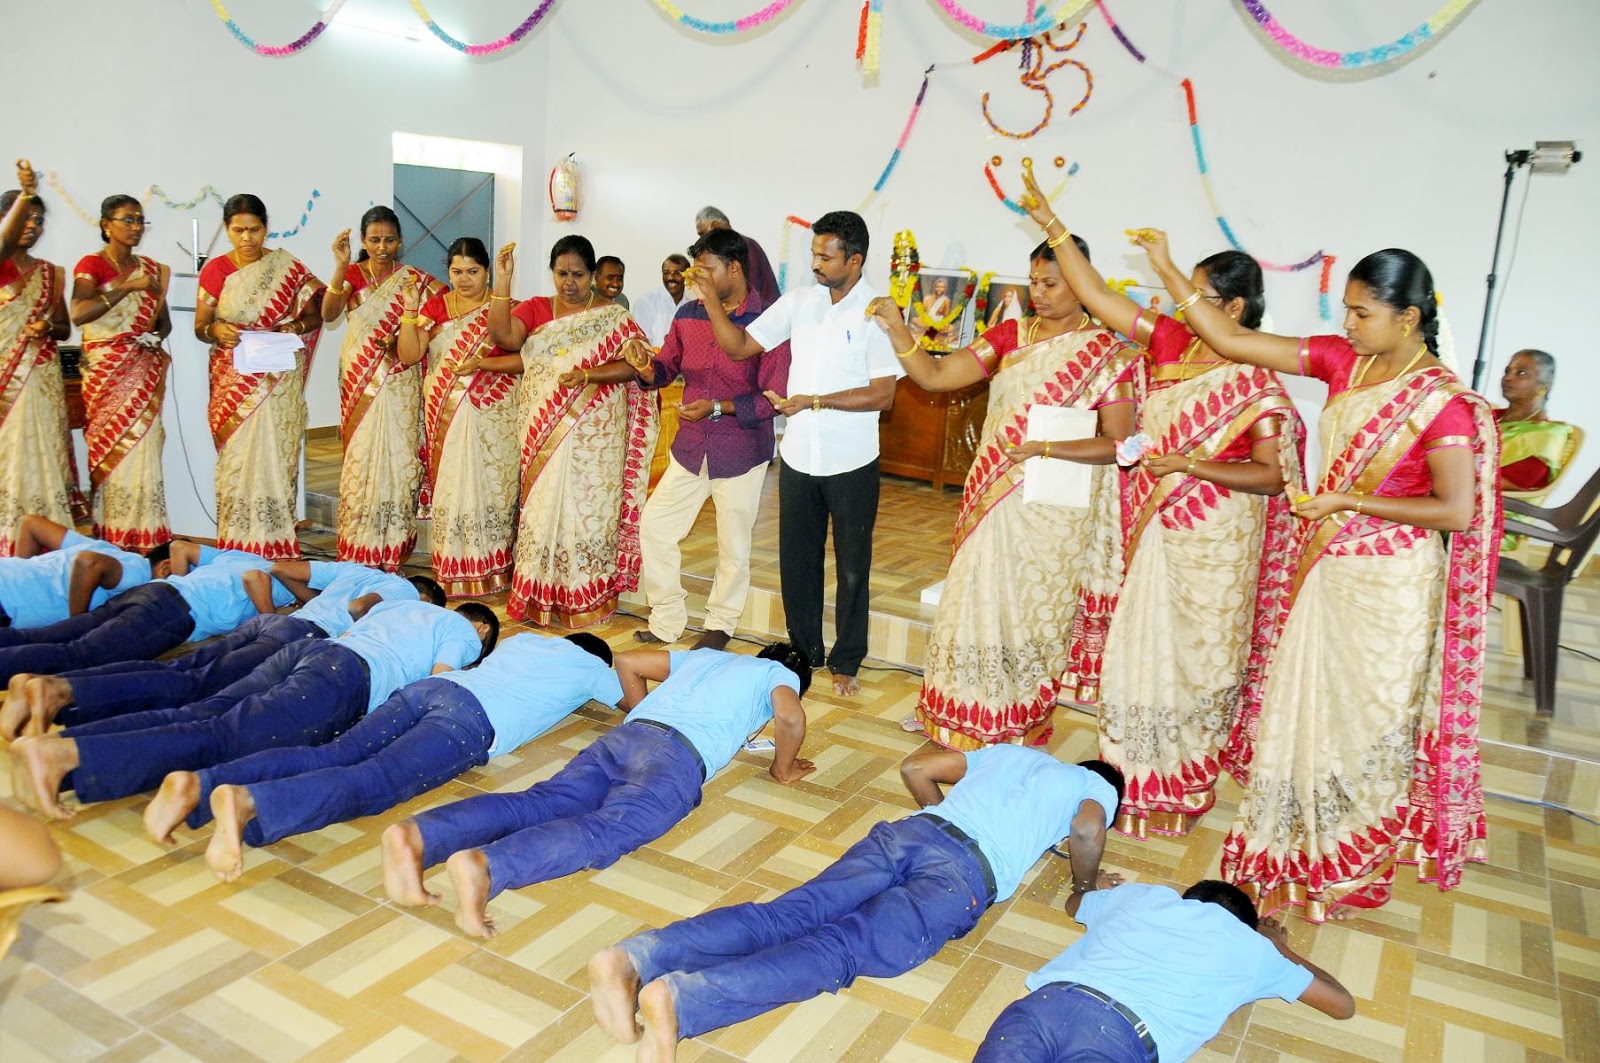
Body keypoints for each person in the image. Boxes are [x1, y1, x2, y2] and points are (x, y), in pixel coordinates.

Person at [1137, 233, 1500, 921]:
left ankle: (1344, 858)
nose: (1347, 324)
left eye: (1362, 312)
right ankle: (1288, 846)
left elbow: (1455, 508)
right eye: (1348, 310)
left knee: (1363, 722)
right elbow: (1231, 338)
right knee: (1306, 705)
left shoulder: (1441, 403)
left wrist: (1348, 502)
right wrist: (1163, 267)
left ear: (1409, 318)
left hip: (1390, 583)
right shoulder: (1343, 362)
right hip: (1331, 570)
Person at [1028, 177, 1307, 836]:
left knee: (1197, 662)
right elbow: (1095, 293)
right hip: (1159, 538)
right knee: (1140, 654)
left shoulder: (1255, 379)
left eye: (1198, 295)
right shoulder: (1172, 347)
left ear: (1234, 307)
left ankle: (1179, 786)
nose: (1182, 304)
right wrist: (1053, 222)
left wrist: (1188, 465)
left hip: (1217, 545)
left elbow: (1269, 476)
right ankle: (1127, 776)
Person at [587, 745, 1122, 1058]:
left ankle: (634, 958)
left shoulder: (1010, 754)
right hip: (961, 877)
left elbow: (917, 768)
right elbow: (1089, 828)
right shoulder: (1092, 785)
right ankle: (684, 1002)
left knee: (788, 913)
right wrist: (1082, 886)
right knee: (837, 951)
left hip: (909, 834)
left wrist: (942, 822)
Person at [868, 234, 1138, 748]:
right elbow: (938, 375)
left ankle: (1014, 715)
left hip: (1053, 509)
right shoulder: (1012, 334)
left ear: (1082, 285)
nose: (1039, 291)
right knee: (972, 601)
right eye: (1034, 280)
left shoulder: (1109, 352)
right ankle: (952, 709)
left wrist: (1047, 451)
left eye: (1052, 283)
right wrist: (900, 331)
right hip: (992, 499)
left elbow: (1119, 444)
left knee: (1032, 617)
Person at [381, 643, 815, 939]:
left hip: (626, 737)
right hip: (674, 760)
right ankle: (489, 867)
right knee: (606, 831)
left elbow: (627, 661)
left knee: (541, 802)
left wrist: (642, 713)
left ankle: (419, 835)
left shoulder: (705, 657)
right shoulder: (778, 675)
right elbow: (790, 719)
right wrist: (783, 768)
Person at [8, 599, 496, 824]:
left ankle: (63, 747)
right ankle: (66, 757)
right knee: (222, 735)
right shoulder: (458, 631)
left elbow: (350, 629)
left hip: (310, 653)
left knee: (204, 710)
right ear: (477, 629)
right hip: (341, 678)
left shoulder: (402, 606)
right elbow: (437, 681)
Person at [197, 631, 621, 882]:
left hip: (429, 690)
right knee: (375, 780)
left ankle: (211, 784)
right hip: (467, 720)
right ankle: (250, 802)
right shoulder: (593, 669)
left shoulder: (526, 639)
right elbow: (633, 703)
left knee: (336, 753)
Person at [699, 210, 902, 697]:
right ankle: (805, 652)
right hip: (800, 458)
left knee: (853, 565)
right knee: (797, 561)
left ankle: (848, 658)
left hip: (851, 458)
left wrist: (814, 401)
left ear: (855, 259)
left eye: (825, 256)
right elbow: (741, 347)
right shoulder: (800, 302)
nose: (816, 263)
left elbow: (883, 394)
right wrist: (711, 303)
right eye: (813, 253)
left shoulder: (878, 312)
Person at [4, 563, 440, 740]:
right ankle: (62, 692)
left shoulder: (355, 569)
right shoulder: (403, 593)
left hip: (273, 623)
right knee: (193, 686)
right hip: (301, 635)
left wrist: (306, 602)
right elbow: (359, 608)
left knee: (185, 673)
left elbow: (281, 569)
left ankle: (69, 695)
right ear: (424, 599)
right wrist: (352, 619)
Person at [971, 877, 1354, 1062]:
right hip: (1119, 1037)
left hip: (1046, 1005)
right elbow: (1341, 1005)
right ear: (1245, 924)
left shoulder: (1142, 894)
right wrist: (1280, 947)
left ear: (1190, 899)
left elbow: (1074, 904)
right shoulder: (1255, 948)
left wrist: (1101, 890)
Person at [485, 236, 658, 627]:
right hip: (541, 435)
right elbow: (504, 337)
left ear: (593, 275)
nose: (569, 283)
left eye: (578, 274)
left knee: (588, 513)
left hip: (595, 440)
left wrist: (588, 375)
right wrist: (503, 285)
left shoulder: (614, 317)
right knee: (542, 511)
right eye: (562, 274)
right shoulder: (536, 309)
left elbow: (636, 365)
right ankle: (538, 595)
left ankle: (585, 597)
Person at [635, 228, 787, 650]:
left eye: (706, 270)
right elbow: (666, 366)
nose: (696, 279)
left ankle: (721, 623)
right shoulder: (689, 314)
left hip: (741, 449)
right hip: (691, 445)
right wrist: (646, 369)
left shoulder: (769, 321)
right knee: (655, 526)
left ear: (733, 268)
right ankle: (667, 617)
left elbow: (772, 399)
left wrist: (718, 407)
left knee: (732, 544)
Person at [192, 193, 324, 559]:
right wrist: (216, 330)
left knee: (276, 455)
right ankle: (237, 543)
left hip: (278, 378)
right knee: (237, 458)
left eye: (254, 230)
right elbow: (200, 327)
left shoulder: (288, 267)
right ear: (227, 229)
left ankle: (276, 541)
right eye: (238, 230)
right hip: (234, 377)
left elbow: (316, 317)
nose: (247, 238)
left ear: (266, 228)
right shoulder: (216, 269)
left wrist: (293, 326)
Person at [321, 207, 443, 570]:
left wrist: (408, 334)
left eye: (389, 239)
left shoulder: (414, 281)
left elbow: (440, 313)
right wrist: (341, 265)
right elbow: (328, 314)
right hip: (360, 381)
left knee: (398, 457)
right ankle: (359, 543)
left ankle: (391, 544)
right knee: (361, 459)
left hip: (400, 380)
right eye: (374, 239)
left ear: (400, 241)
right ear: (362, 241)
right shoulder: (353, 275)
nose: (383, 246)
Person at [401, 237, 522, 596]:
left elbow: (524, 360)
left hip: (494, 419)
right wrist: (409, 310)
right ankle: (454, 566)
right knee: (454, 488)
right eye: (457, 271)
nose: (465, 279)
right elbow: (409, 355)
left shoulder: (508, 309)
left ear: (488, 271)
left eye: (473, 271)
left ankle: (492, 567)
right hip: (446, 415)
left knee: (491, 488)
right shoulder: (435, 308)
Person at [0, 542, 293, 686]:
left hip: (153, 592)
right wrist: (274, 623)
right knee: (80, 655)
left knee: (53, 637)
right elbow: (256, 579)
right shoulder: (279, 581)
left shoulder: (243, 556)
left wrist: (178, 583)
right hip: (171, 611)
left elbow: (179, 546)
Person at [69, 194, 173, 551]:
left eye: (140, 221)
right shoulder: (92, 265)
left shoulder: (153, 269)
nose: (135, 227)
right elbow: (79, 313)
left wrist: (154, 338)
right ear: (105, 224)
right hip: (106, 373)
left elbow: (164, 323)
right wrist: (126, 287)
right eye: (127, 220)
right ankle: (112, 536)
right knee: (110, 452)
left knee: (144, 451)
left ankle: (147, 537)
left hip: (141, 371)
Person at [0, 161, 75, 556]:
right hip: (6, 382)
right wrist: (26, 194)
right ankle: (9, 539)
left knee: (45, 453)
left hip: (42, 380)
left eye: (39, 219)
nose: (33, 225)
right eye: (25, 218)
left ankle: (48, 537)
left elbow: (64, 329)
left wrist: (48, 328)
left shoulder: (51, 274)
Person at [0, 515, 160, 643]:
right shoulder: (141, 574)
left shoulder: (109, 549)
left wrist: (20, 578)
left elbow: (30, 523)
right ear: (165, 567)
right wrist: (77, 625)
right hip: (7, 604)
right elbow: (88, 562)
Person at [1495, 349, 1575, 493]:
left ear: (1544, 386)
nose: (1508, 378)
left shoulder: (1545, 436)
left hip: (1495, 509)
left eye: (1521, 373)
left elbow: (1504, 484)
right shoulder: (1490, 415)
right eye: (1507, 371)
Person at [695, 207, 779, 305]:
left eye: (702, 234)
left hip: (758, 314)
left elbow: (750, 289)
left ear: (715, 226)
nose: (702, 239)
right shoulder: (743, 244)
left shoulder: (744, 245)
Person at [630, 254, 689, 347]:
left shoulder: (691, 307)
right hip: (652, 361)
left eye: (677, 273)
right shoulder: (645, 303)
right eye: (666, 273)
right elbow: (640, 343)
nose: (671, 278)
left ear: (688, 276)